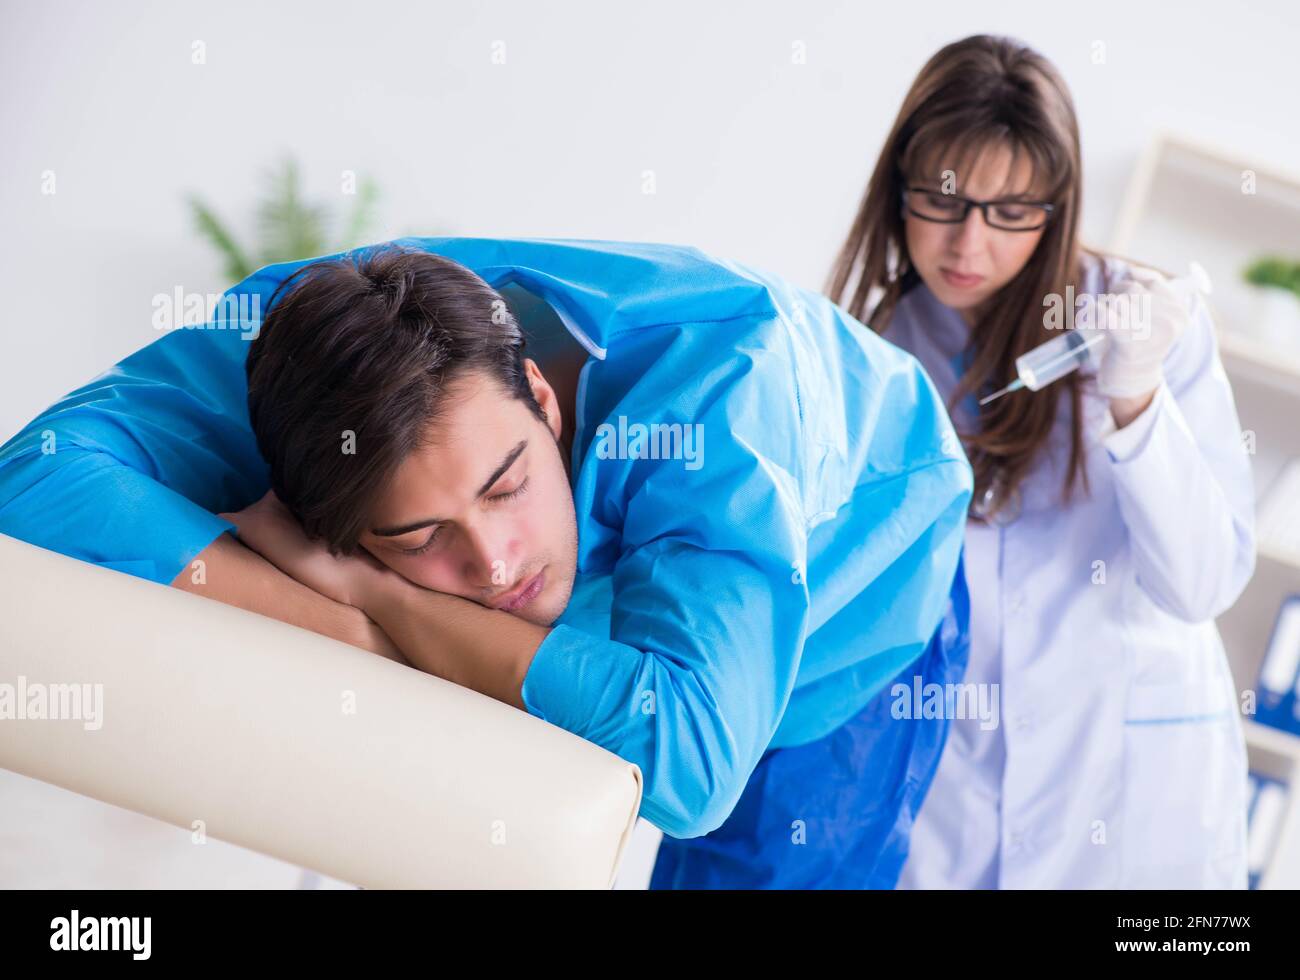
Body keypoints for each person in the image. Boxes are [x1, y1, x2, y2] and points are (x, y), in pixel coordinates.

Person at [0, 237, 972, 888]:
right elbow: (34, 474)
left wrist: (376, 595)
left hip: (863, 582)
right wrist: (344, 631)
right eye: (420, 535)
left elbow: (694, 763)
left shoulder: (723, 396)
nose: (495, 560)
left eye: (504, 486)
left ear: (543, 400)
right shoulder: (282, 355)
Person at [825, 35, 1255, 888]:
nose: (968, 245)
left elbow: (1201, 586)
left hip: (1133, 802)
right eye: (943, 202)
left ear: (1057, 207)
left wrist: (1135, 405)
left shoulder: (1143, 327)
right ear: (899, 186)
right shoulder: (865, 359)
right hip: (950, 794)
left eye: (1012, 211)